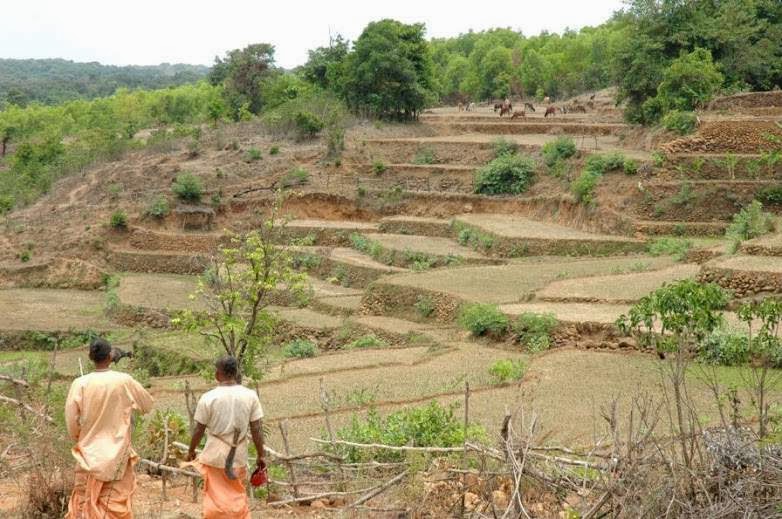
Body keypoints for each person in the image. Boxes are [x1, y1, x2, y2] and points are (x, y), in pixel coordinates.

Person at [65, 338, 154, 519]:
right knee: (114, 508)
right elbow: (147, 405)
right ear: (109, 356)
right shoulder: (124, 381)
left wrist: (80, 439)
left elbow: (71, 422)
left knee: (83, 506)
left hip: (87, 456)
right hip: (118, 458)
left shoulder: (80, 383)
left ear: (90, 357)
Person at [187, 356, 265, 519]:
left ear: (217, 374)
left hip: (214, 457)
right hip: (238, 457)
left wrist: (191, 451)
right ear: (236, 373)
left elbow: (199, 429)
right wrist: (261, 455)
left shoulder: (208, 398)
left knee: (216, 500)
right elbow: (257, 428)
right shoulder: (250, 396)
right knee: (236, 496)